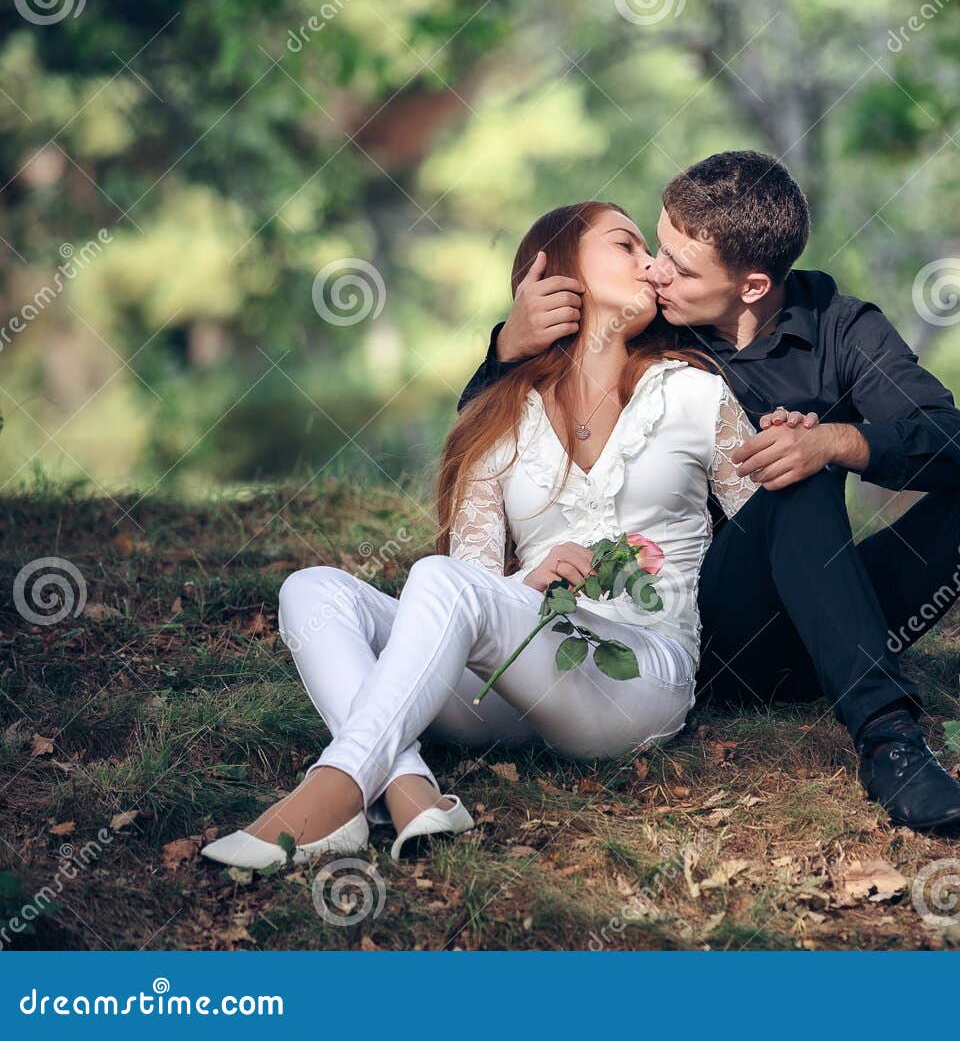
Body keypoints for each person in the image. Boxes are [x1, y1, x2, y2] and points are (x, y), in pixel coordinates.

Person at [460, 151, 960, 836]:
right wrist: (506, 344)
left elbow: (954, 441)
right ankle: (890, 741)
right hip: (720, 631)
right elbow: (515, 420)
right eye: (656, 248)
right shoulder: (655, 331)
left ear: (753, 284)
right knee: (795, 483)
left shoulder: (840, 326)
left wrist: (839, 438)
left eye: (682, 267)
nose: (658, 272)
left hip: (836, 609)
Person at [202, 202, 762, 868]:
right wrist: (531, 580)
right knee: (312, 589)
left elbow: (767, 539)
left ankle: (337, 789)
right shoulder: (498, 417)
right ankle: (408, 786)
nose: (652, 263)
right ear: (553, 275)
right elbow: (473, 586)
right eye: (627, 244)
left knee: (432, 580)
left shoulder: (696, 396)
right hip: (513, 677)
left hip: (639, 672)